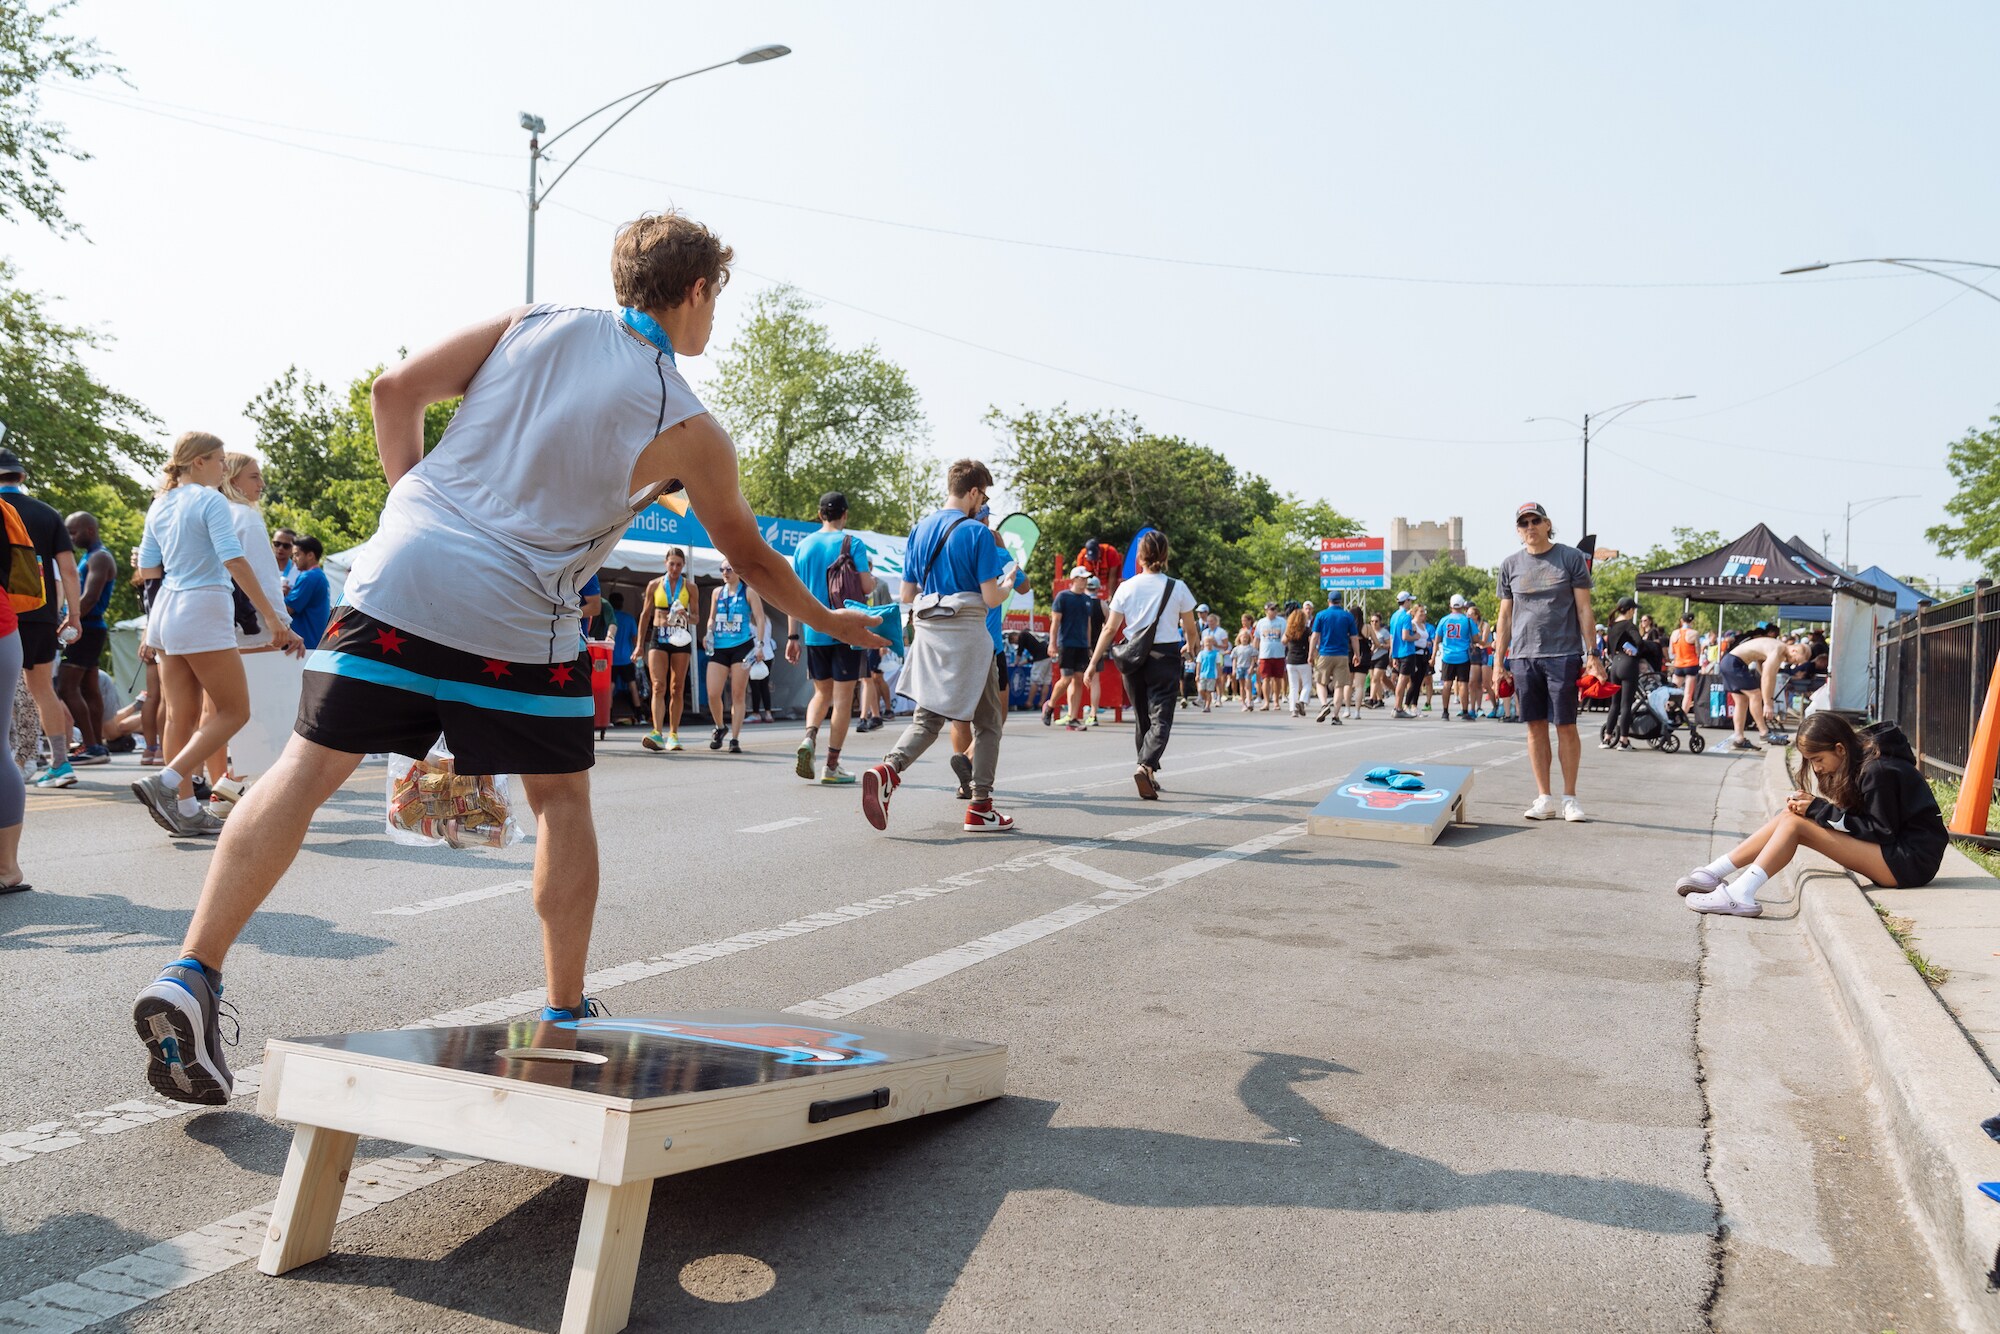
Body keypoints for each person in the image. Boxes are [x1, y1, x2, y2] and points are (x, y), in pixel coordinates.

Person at [131, 209, 884, 1106]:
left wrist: (417, 512)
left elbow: (392, 391)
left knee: (302, 772)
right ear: (694, 291)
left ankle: (191, 971)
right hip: (521, 616)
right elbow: (752, 559)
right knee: (560, 797)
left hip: (396, 578)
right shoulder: (687, 421)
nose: (714, 316)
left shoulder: (532, 321)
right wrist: (830, 620)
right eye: (715, 298)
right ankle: (564, 1012)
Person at [127, 433, 302, 839]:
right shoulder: (210, 500)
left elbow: (149, 570)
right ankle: (166, 782)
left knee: (180, 716)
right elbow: (234, 560)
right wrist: (272, 618)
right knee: (234, 711)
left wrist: (152, 624)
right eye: (220, 460)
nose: (224, 468)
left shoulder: (160, 503)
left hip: (166, 612)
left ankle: (186, 808)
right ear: (200, 462)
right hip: (202, 608)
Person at [861, 460, 1018, 832]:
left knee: (927, 720)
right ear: (974, 492)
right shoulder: (978, 533)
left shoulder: (919, 530)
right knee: (988, 724)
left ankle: (888, 768)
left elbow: (906, 594)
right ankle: (981, 807)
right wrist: (1008, 582)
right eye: (983, 497)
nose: (982, 504)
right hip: (969, 636)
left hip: (930, 635)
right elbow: (990, 598)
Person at [1680, 715, 1947, 916]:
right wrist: (1814, 808)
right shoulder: (1861, 761)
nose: (1816, 768)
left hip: (1909, 863)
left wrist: (1819, 809)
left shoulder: (1878, 770)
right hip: (1894, 853)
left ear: (1840, 749)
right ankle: (1713, 873)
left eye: (1818, 759)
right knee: (1790, 816)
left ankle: (1741, 894)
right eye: (1810, 761)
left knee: (1796, 825)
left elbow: (1881, 831)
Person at [1494, 500, 1593, 822]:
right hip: (1523, 656)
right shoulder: (1510, 564)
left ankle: (1570, 798)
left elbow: (1584, 609)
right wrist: (1498, 663)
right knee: (1535, 727)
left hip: (1563, 654)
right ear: (1518, 530)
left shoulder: (1570, 558)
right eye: (1524, 523)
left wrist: (1593, 654)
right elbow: (1504, 617)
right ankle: (1544, 798)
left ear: (1547, 524)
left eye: (1535, 521)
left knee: (1566, 725)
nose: (1530, 527)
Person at [1083, 529, 1198, 799]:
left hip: (1132, 656)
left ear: (1140, 557)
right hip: (1164, 656)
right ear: (1165, 555)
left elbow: (1109, 629)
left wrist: (1093, 662)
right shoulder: (1177, 587)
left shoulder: (1126, 587)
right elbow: (1190, 627)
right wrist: (1190, 645)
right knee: (1161, 718)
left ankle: (1148, 772)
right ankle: (1145, 766)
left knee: (1142, 718)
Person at [0, 450, 83, 789]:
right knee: (43, 689)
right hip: (41, 612)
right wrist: (73, 615)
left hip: (5, 611)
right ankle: (60, 763)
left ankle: (13, 762)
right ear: (21, 476)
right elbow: (69, 570)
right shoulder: (48, 513)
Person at [788, 491, 875, 783]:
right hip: (846, 630)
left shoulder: (803, 546)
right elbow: (866, 587)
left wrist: (792, 636)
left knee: (821, 693)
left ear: (819, 514)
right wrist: (871, 579)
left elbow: (793, 597)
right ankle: (832, 766)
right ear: (845, 515)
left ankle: (809, 737)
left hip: (814, 631)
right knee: (842, 700)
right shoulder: (853, 543)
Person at [56, 511, 118, 765]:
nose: (70, 537)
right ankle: (96, 745)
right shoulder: (90, 556)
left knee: (66, 687)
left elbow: (91, 597)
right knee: (89, 689)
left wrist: (68, 621)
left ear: (90, 530)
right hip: (90, 628)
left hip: (87, 628)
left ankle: (91, 745)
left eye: (73, 532)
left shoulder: (100, 557)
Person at [636, 546, 698, 752]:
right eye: (672, 564)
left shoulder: (690, 587)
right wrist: (639, 645)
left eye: (679, 565)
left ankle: (673, 734)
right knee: (657, 685)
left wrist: (686, 615)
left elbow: (697, 618)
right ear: (666, 563)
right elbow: (645, 615)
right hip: (659, 636)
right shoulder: (654, 585)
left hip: (680, 637)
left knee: (676, 687)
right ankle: (657, 732)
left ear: (684, 566)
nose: (675, 568)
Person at [702, 562, 766, 753]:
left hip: (742, 647)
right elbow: (712, 617)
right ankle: (720, 727)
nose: (725, 573)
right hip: (719, 647)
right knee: (713, 693)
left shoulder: (749, 592)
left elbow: (760, 618)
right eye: (722, 569)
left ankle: (735, 739)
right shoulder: (717, 593)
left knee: (738, 694)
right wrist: (708, 632)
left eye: (729, 569)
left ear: (737, 571)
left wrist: (760, 645)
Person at [1717, 630, 1807, 752]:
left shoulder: (1776, 647)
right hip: (1734, 663)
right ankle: (1764, 733)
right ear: (1794, 651)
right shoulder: (1778, 650)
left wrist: (1767, 695)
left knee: (1742, 702)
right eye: (1795, 660)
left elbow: (1763, 666)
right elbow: (1767, 677)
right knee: (1755, 695)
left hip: (1730, 662)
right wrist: (1768, 704)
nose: (1793, 663)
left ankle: (1739, 739)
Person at [1044, 566, 1096, 727]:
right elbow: (1055, 622)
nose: (1085, 581)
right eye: (1082, 578)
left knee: (1078, 679)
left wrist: (1088, 645)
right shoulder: (1063, 597)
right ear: (1074, 579)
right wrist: (1052, 643)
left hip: (1081, 645)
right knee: (1066, 679)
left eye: (1086, 579)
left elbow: (1088, 624)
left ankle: (1073, 717)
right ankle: (1050, 705)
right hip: (1066, 643)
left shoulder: (1087, 600)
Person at [1310, 591, 1359, 723]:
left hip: (1325, 653)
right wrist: (1356, 654)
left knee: (1320, 682)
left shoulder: (1321, 615)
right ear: (1340, 601)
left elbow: (1314, 636)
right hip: (1342, 654)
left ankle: (1324, 704)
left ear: (1329, 601)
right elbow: (1354, 638)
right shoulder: (1348, 616)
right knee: (1339, 685)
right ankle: (1335, 716)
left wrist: (1310, 654)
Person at [280, 536, 331, 651]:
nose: (294, 559)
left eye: (297, 554)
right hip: (314, 642)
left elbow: (287, 609)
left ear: (310, 555)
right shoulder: (320, 576)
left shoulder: (309, 577)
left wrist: (277, 593)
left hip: (303, 645)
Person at [1435, 594, 1476, 722]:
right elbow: (1476, 638)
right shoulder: (1467, 620)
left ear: (1450, 605)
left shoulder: (1444, 620)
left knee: (1447, 683)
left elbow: (1437, 639)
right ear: (1463, 606)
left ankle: (1445, 712)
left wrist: (1433, 656)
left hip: (1448, 656)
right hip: (1463, 655)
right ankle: (1465, 712)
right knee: (1463, 684)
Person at [607, 591, 640, 721]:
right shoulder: (629, 618)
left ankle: (609, 718)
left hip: (611, 658)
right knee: (633, 686)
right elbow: (635, 639)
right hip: (627, 658)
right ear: (622, 603)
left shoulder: (608, 619)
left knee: (610, 687)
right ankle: (639, 716)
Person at [1387, 591, 1420, 718]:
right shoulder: (1406, 617)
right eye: (1409, 600)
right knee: (1403, 680)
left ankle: (1397, 707)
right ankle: (1398, 708)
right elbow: (1405, 636)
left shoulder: (1394, 616)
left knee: (1402, 680)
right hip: (1406, 651)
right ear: (1406, 601)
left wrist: (1393, 654)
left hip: (1398, 652)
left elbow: (1392, 636)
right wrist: (1416, 636)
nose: (1410, 603)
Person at [1253, 600, 1287, 711]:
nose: (1274, 611)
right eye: (1272, 609)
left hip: (1279, 653)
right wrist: (1254, 653)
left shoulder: (1282, 621)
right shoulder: (1261, 622)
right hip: (1265, 654)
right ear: (1266, 610)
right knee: (1266, 678)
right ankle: (1266, 702)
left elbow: (1286, 636)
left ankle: (1276, 701)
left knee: (1277, 678)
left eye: (1275, 609)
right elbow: (1256, 638)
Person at [1668, 613, 1703, 716]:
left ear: (1681, 621)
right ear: (1692, 621)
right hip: (1691, 665)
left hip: (1678, 664)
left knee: (1673, 691)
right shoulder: (1694, 633)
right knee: (1688, 693)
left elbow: (1671, 651)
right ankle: (1683, 716)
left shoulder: (1674, 633)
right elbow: (1698, 651)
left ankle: (1667, 710)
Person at [1282, 603, 1313, 717]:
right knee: (1307, 684)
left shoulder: (1289, 630)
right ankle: (1302, 700)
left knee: (1293, 686)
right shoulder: (1307, 630)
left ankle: (1293, 710)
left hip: (1291, 660)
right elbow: (1312, 642)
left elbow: (1283, 641)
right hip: (1304, 660)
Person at [1017, 628, 1051, 712]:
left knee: (1035, 681)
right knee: (1046, 681)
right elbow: (1033, 657)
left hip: (1041, 659)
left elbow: (1019, 651)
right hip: (1049, 655)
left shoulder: (1022, 635)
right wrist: (1021, 663)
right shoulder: (1034, 637)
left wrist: (1016, 662)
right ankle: (1041, 704)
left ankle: (1029, 703)